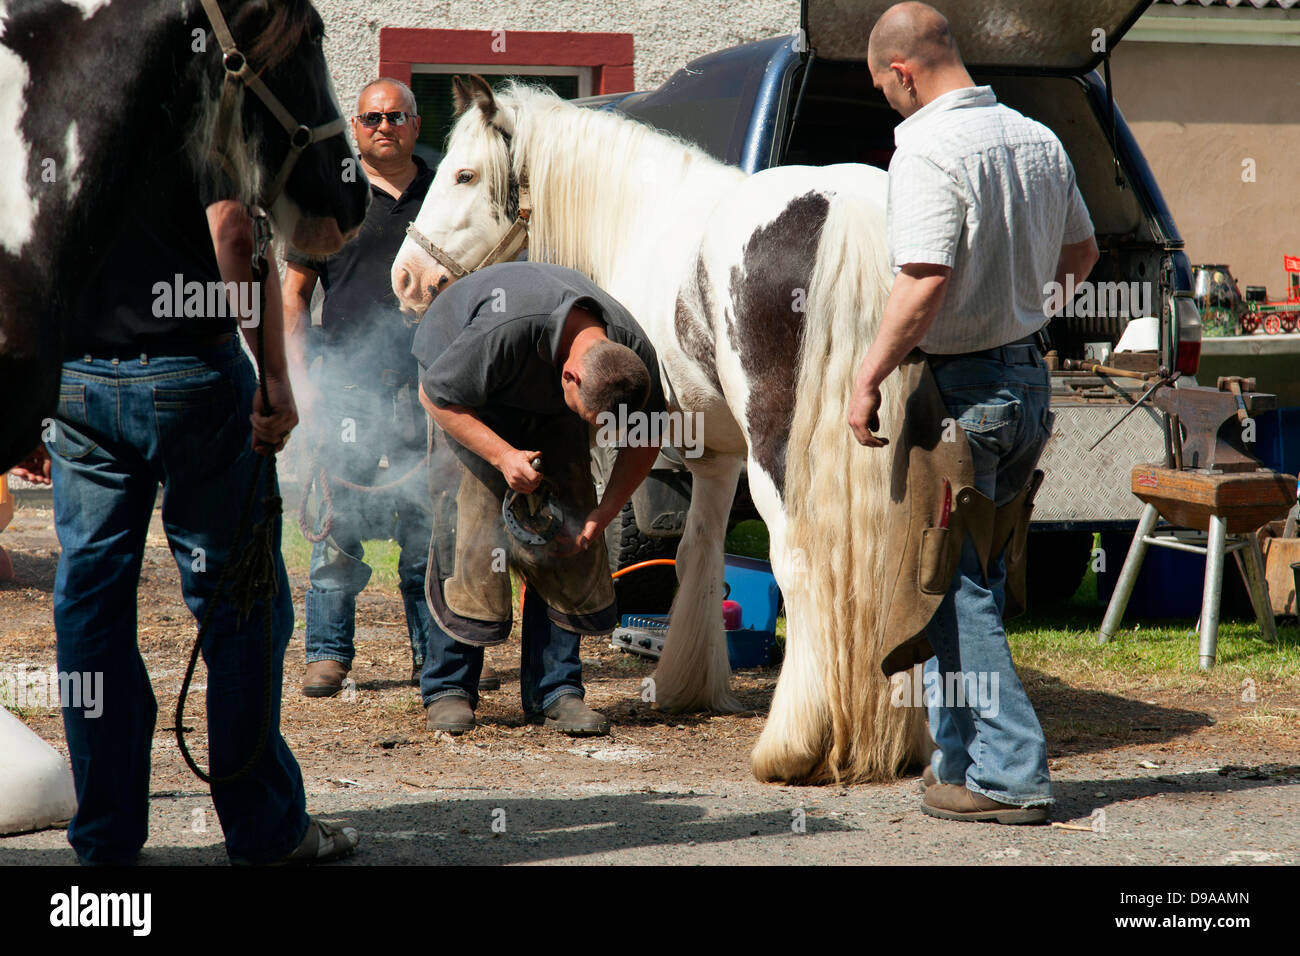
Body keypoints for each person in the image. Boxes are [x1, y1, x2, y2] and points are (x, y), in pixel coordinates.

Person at [10, 159, 358, 863]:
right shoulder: (198, 100)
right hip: (191, 376)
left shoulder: (59, 109)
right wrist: (276, 381)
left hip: (78, 380)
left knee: (92, 609)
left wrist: (25, 391)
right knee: (240, 600)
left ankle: (105, 843)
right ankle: (266, 833)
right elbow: (232, 231)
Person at [848, 2, 1099, 824]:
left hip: (958, 397)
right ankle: (959, 762)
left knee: (951, 587)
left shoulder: (923, 147)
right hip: (1026, 387)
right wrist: (1028, 313)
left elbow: (922, 280)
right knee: (972, 577)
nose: (890, 104)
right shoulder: (1036, 136)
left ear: (902, 71)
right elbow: (1084, 252)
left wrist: (866, 375)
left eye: (886, 89)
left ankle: (1013, 774)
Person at [284, 79, 498, 697]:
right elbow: (294, 298)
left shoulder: (444, 193)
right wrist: (300, 386)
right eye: (373, 117)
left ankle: (430, 660)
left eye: (398, 116)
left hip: (431, 391)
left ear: (414, 125)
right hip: (346, 390)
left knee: (424, 535)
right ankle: (327, 655)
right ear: (356, 127)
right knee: (336, 529)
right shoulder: (328, 198)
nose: (385, 126)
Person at [410, 262, 664, 736]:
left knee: (565, 538)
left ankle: (557, 691)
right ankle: (448, 687)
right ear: (569, 377)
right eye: (591, 420)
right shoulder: (505, 330)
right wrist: (505, 457)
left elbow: (646, 438)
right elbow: (436, 396)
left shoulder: (631, 356)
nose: (595, 431)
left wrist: (601, 514)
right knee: (473, 533)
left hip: (547, 400)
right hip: (465, 390)